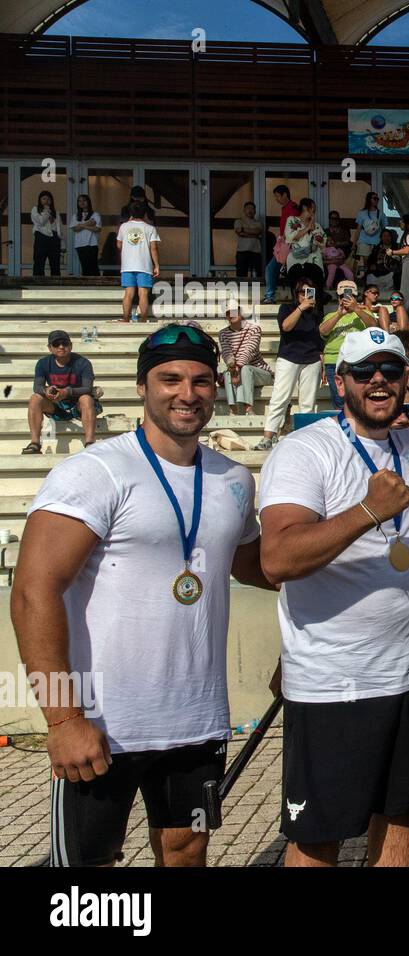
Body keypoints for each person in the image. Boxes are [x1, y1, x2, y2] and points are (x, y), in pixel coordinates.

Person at [14, 324, 270, 866]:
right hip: (101, 721)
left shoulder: (233, 478)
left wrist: (354, 547)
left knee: (186, 847)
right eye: (170, 379)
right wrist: (62, 720)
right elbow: (34, 592)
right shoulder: (96, 471)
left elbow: (256, 566)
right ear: (140, 386)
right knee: (89, 865)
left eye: (202, 381)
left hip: (196, 720)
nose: (187, 393)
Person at [257, 329, 409, 867]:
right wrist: (367, 511)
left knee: (400, 817)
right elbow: (278, 559)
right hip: (334, 686)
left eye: (391, 371)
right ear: (340, 382)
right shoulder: (305, 450)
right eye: (364, 372)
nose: (380, 381)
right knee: (320, 834)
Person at [257, 279, 323, 450]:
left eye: (309, 292)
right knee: (280, 398)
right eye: (302, 292)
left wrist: (321, 359)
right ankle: (268, 437)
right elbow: (286, 326)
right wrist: (301, 308)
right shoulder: (286, 308)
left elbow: (319, 336)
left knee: (308, 403)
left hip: (312, 358)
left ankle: (305, 440)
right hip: (289, 357)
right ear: (296, 293)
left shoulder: (316, 312)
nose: (305, 295)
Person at [24, 330, 100, 453]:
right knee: (35, 398)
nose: (61, 347)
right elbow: (37, 387)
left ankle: (90, 442)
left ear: (71, 345)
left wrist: (66, 392)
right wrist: (46, 390)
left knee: (86, 398)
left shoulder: (83, 363)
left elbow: (87, 388)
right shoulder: (43, 363)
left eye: (64, 343)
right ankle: (35, 443)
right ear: (50, 348)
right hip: (56, 405)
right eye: (56, 344)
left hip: (78, 405)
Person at [320, 279, 384, 409]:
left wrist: (356, 309)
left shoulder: (364, 313)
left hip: (357, 359)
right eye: (342, 296)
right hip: (333, 361)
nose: (345, 299)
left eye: (350, 296)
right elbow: (323, 331)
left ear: (355, 297)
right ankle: (342, 426)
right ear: (338, 297)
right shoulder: (331, 315)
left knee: (357, 396)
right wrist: (339, 314)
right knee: (339, 399)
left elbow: (374, 326)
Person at [218, 302, 273, 416]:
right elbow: (227, 353)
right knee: (228, 373)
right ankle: (233, 409)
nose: (232, 314)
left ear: (240, 312)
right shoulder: (223, 333)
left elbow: (249, 351)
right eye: (228, 313)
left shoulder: (254, 329)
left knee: (246, 369)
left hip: (259, 371)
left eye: (234, 311)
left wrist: (237, 367)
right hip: (238, 371)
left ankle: (249, 408)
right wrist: (233, 369)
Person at [117, 201, 161, 322]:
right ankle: (143, 319)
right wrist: (156, 265)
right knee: (143, 293)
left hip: (127, 265)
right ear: (145, 213)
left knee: (128, 293)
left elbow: (119, 245)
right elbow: (153, 248)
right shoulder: (150, 228)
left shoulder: (123, 226)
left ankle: (125, 318)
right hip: (144, 265)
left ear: (130, 212)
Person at [262, 185, 299, 305]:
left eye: (277, 196)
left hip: (288, 246)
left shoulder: (292, 208)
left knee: (271, 269)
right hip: (285, 245)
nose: (276, 199)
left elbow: (294, 228)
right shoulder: (286, 208)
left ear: (284, 195)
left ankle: (270, 296)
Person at [284, 197, 326, 296]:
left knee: (314, 285)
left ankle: (314, 306)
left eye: (314, 210)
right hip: (296, 259)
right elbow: (290, 238)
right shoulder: (292, 220)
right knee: (297, 286)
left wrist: (313, 228)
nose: (314, 211)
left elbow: (322, 242)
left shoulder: (317, 225)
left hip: (313, 259)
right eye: (312, 209)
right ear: (304, 207)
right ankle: (298, 308)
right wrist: (307, 228)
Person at [32, 189, 63, 276]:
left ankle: (55, 286)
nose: (46, 201)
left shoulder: (56, 212)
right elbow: (41, 222)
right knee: (39, 262)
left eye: (49, 199)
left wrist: (63, 244)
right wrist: (46, 211)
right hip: (41, 237)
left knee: (55, 264)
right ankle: (38, 286)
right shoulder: (35, 209)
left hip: (54, 238)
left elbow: (60, 228)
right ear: (40, 200)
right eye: (44, 199)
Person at [322, 210, 354, 291]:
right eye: (332, 218)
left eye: (336, 218)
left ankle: (351, 286)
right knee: (331, 270)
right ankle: (329, 286)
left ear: (338, 219)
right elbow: (322, 246)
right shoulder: (325, 231)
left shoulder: (343, 231)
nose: (334, 220)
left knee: (346, 271)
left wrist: (337, 244)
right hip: (329, 259)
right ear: (329, 219)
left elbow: (348, 243)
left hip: (341, 257)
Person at [71, 194, 101, 277]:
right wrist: (88, 224)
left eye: (84, 200)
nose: (82, 202)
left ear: (88, 202)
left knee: (93, 267)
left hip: (92, 244)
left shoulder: (95, 215)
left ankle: (97, 286)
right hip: (80, 245)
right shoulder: (76, 216)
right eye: (79, 201)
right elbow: (75, 229)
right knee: (85, 267)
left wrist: (82, 225)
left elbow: (97, 229)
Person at [233, 201, 262, 280]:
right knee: (241, 276)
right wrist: (254, 235)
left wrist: (243, 230)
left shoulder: (258, 223)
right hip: (242, 251)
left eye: (252, 209)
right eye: (248, 208)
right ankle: (242, 292)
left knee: (258, 275)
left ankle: (258, 291)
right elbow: (239, 233)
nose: (250, 210)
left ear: (255, 211)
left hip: (255, 251)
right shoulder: (238, 221)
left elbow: (258, 231)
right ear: (244, 210)